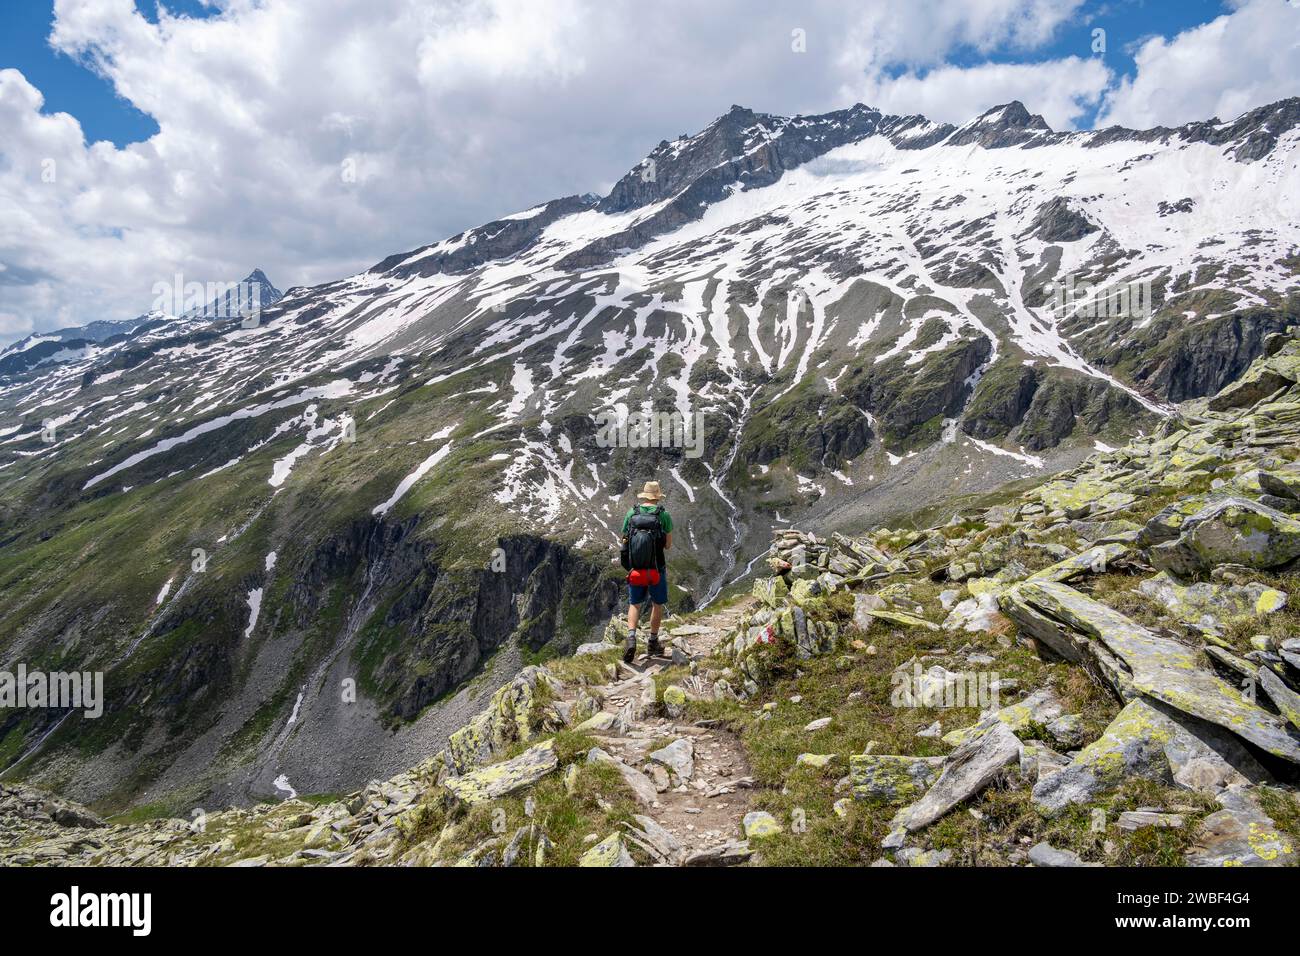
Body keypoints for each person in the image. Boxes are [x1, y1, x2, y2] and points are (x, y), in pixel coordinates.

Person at [620, 480, 673, 664]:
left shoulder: (631, 513)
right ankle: (652, 641)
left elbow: (624, 539)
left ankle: (632, 638)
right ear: (657, 497)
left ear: (644, 496)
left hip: (636, 570)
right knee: (657, 604)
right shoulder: (663, 515)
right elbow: (667, 544)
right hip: (656, 569)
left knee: (635, 604)